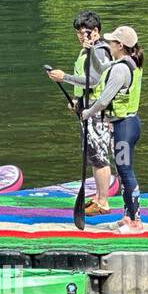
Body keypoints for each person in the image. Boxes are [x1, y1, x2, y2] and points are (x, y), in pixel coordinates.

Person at [47, 11, 114, 214]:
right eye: (77, 33)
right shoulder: (88, 50)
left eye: (84, 33)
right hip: (88, 107)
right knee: (93, 155)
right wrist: (78, 101)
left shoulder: (100, 51)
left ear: (95, 32)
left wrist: (63, 77)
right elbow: (87, 82)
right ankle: (99, 197)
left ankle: (103, 201)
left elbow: (94, 81)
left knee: (99, 155)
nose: (80, 37)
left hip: (98, 111)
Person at [82, 26, 144, 233]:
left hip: (125, 127)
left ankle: (136, 222)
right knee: (123, 171)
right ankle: (127, 217)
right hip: (127, 124)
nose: (108, 45)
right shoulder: (126, 63)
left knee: (126, 172)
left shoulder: (120, 69)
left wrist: (87, 113)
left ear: (120, 46)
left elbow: (103, 100)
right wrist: (90, 51)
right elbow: (100, 69)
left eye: (111, 42)